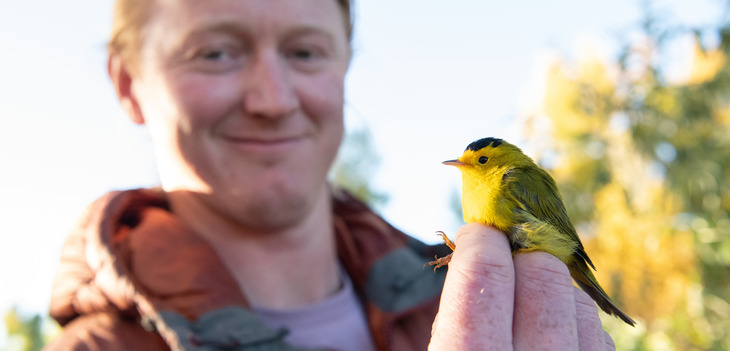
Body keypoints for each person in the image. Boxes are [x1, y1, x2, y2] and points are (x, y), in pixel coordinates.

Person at [46, 0, 616, 350]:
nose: (272, 99)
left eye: (304, 51)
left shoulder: (491, 295)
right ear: (127, 83)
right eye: (215, 53)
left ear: (347, 61)